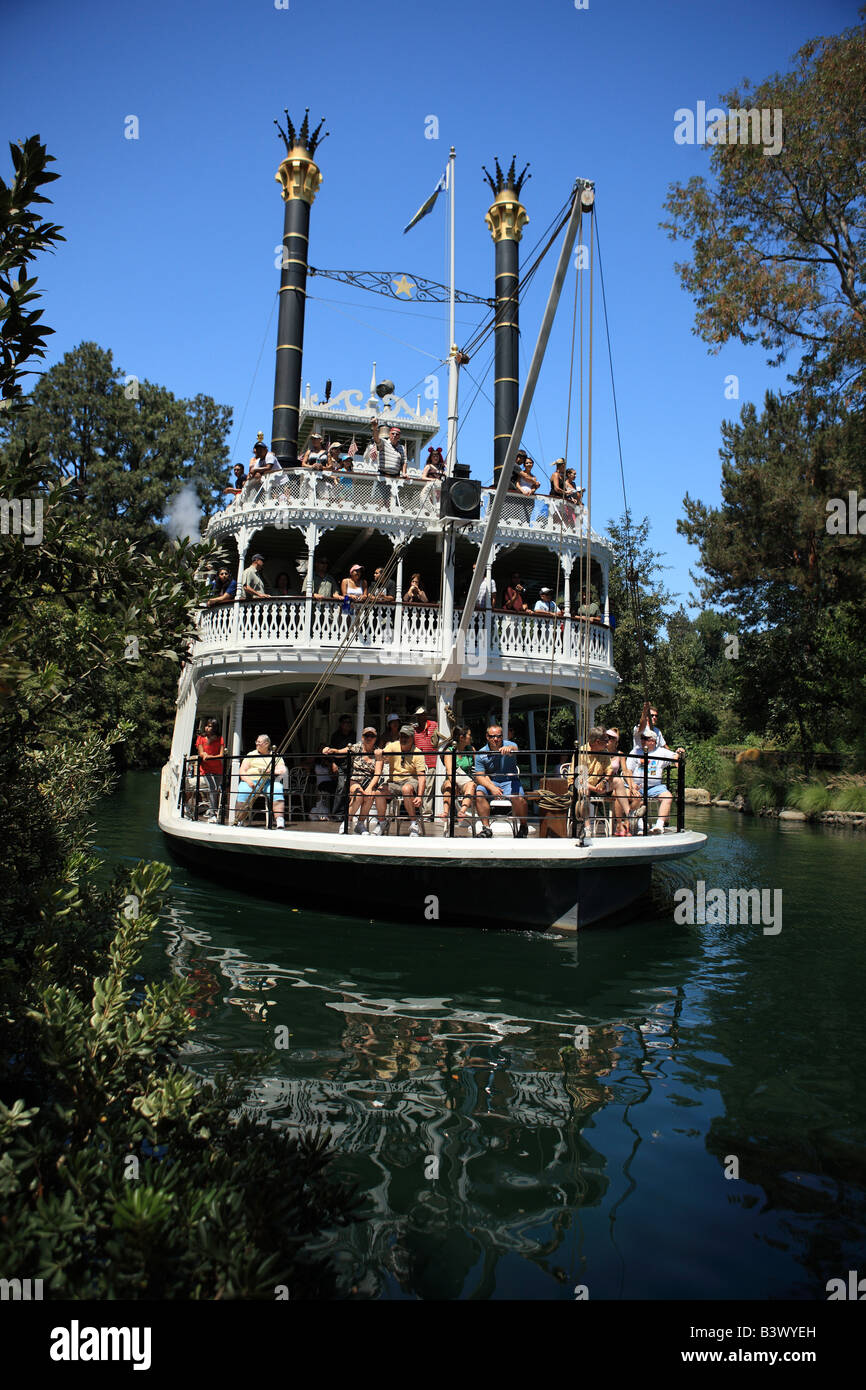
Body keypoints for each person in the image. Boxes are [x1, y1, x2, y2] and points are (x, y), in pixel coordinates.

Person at [568, 726, 633, 836]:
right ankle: (587, 827)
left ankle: (630, 814)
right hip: (579, 785)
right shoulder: (582, 753)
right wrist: (595, 788)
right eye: (606, 741)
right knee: (585, 791)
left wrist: (604, 781)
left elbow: (609, 770)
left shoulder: (604, 751)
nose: (607, 743)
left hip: (598, 784)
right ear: (597, 741)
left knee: (618, 781)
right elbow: (579, 779)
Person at [473, 725, 529, 835]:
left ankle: (523, 825)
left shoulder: (510, 745)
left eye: (499, 736)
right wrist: (491, 787)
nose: (496, 739)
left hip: (510, 781)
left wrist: (510, 750)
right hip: (491, 782)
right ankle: (486, 828)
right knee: (479, 794)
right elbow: (479, 776)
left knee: (519, 799)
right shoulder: (481, 753)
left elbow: (515, 748)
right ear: (487, 737)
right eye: (492, 736)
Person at [626, 730, 685, 833]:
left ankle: (659, 825)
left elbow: (675, 757)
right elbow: (628, 770)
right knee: (632, 796)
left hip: (654, 787)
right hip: (637, 785)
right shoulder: (635, 751)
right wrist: (632, 785)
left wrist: (679, 754)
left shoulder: (661, 752)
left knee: (667, 797)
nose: (642, 741)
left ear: (652, 741)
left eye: (645, 738)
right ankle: (639, 825)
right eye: (642, 738)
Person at [439, 728, 491, 834]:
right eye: (469, 735)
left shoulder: (471, 749)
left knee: (471, 785)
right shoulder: (450, 751)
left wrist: (488, 782)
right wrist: (455, 784)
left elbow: (479, 768)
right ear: (462, 738)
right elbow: (449, 771)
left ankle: (462, 812)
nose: (470, 737)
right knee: (450, 786)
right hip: (452, 779)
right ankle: (445, 812)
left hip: (466, 781)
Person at [381, 723, 427, 835]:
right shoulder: (393, 746)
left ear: (412, 738)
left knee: (406, 789)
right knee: (379, 791)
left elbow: (421, 777)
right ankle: (382, 821)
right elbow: (382, 756)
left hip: (410, 780)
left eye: (406, 736)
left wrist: (420, 796)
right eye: (402, 736)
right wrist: (380, 754)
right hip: (394, 781)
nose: (403, 739)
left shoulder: (417, 752)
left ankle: (413, 823)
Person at [234, 734, 287, 828]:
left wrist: (271, 771)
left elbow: (282, 770)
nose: (257, 744)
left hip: (268, 781)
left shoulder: (275, 756)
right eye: (256, 742)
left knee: (278, 788)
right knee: (243, 790)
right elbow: (242, 771)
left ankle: (280, 820)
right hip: (251, 781)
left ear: (266, 744)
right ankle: (239, 820)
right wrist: (248, 781)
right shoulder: (251, 754)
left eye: (259, 742)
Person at [366, 420, 407, 509]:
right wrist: (375, 427)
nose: (395, 435)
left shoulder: (402, 448)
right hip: (383, 478)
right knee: (379, 503)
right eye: (393, 433)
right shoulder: (384, 443)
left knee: (392, 504)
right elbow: (376, 438)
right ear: (389, 434)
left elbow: (404, 461)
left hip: (395, 479)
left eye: (397, 434)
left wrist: (404, 473)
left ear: (399, 436)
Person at [194, 717, 225, 820]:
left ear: (215, 728)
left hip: (217, 768)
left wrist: (209, 757)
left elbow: (221, 755)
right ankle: (213, 813)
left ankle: (212, 810)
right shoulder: (201, 738)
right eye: (207, 725)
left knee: (216, 789)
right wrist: (205, 755)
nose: (207, 728)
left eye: (210, 726)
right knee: (212, 787)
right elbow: (201, 753)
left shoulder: (220, 738)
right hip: (206, 768)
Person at [413, 704, 439, 818]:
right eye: (419, 715)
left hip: (432, 762)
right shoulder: (414, 730)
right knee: (420, 788)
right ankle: (420, 813)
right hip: (418, 764)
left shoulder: (435, 725)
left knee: (428, 788)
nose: (421, 717)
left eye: (422, 715)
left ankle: (426, 815)